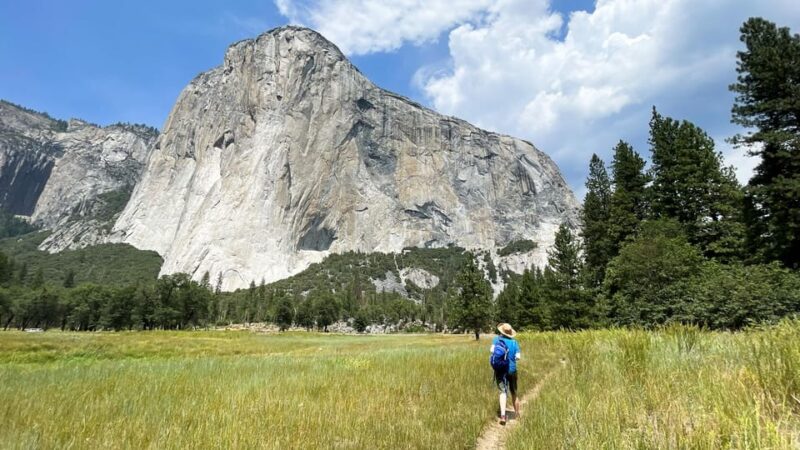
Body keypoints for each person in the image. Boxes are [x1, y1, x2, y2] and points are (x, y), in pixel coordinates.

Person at [490, 323, 521, 425]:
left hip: (500, 370)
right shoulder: (514, 342)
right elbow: (518, 357)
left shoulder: (497, 340)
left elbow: (491, 351)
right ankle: (517, 414)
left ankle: (503, 416)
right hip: (512, 370)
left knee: (502, 392)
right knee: (514, 391)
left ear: (501, 331)